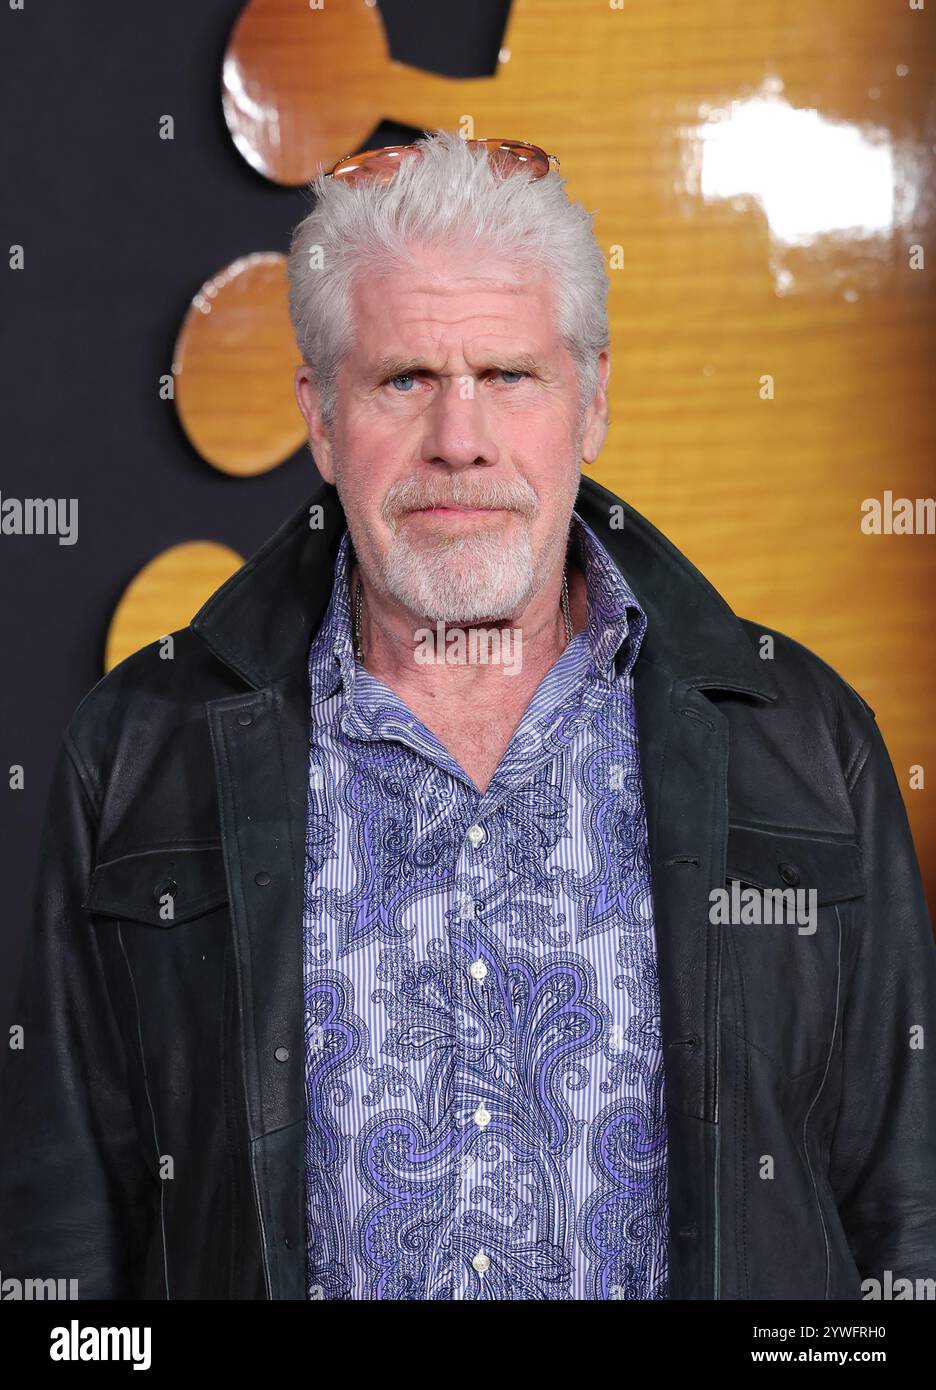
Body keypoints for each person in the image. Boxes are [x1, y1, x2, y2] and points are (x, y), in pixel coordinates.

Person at [0, 129, 933, 1301]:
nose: (459, 440)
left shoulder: (806, 742)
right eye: (404, 381)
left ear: (589, 402)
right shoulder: (137, 752)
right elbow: (62, 1246)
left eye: (507, 375)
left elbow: (905, 1212)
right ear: (322, 419)